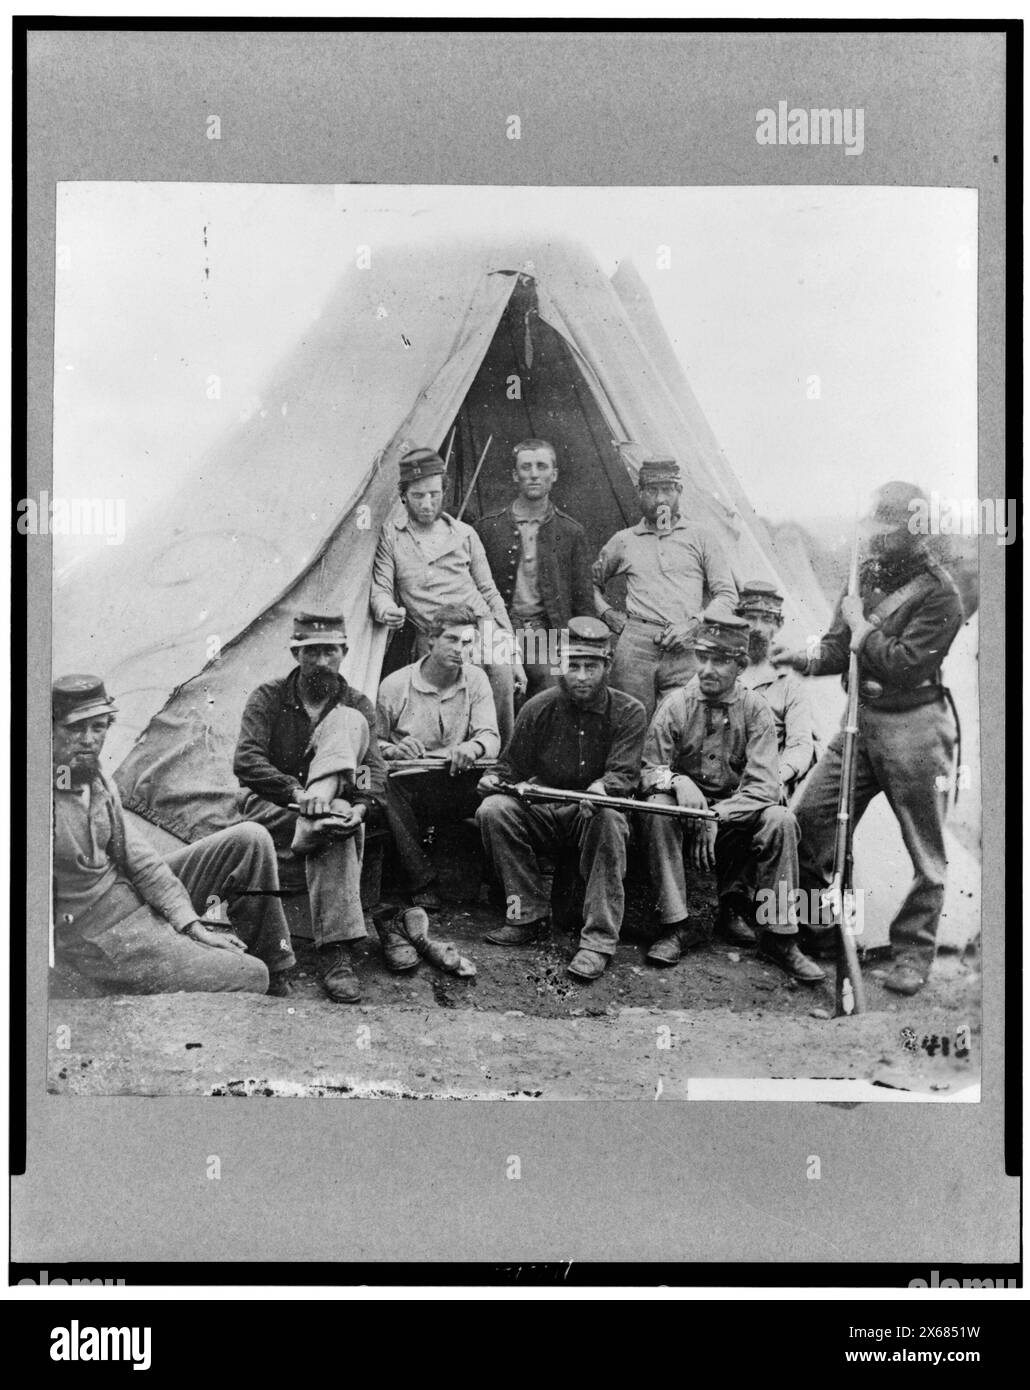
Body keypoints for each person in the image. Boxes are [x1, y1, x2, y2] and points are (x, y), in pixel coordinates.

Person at [772, 481, 965, 995]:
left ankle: (912, 955)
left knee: (926, 854)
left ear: (914, 533)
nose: (876, 540)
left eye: (887, 531)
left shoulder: (942, 593)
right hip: (860, 721)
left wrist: (861, 628)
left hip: (916, 726)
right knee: (808, 819)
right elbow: (839, 649)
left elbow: (903, 663)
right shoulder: (865, 576)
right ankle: (824, 934)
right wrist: (805, 658)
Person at [52, 675, 294, 996]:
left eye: (98, 728)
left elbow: (142, 861)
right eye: (75, 728)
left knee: (249, 839)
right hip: (102, 934)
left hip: (133, 895)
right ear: (48, 727)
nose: (88, 740)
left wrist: (191, 925)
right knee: (249, 976)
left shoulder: (95, 778)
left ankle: (276, 969)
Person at [639, 613, 825, 981]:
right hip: (684, 817)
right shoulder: (676, 705)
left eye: (721, 660)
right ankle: (676, 924)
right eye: (702, 658)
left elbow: (764, 787)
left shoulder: (755, 710)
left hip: (732, 822)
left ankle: (778, 936)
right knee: (657, 807)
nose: (708, 669)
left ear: (740, 665)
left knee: (780, 820)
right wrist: (676, 780)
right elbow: (647, 771)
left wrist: (716, 815)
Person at [476, 616, 647, 981]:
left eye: (592, 666)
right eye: (573, 666)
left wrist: (602, 790)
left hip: (594, 816)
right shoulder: (537, 708)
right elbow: (511, 767)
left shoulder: (630, 711)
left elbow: (624, 774)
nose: (582, 676)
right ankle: (527, 914)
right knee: (494, 810)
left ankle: (598, 941)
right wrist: (493, 779)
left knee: (610, 817)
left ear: (608, 667)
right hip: (545, 812)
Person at [233, 613, 387, 1004]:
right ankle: (337, 949)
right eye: (312, 652)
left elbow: (371, 773)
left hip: (326, 812)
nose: (321, 661)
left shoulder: (357, 703)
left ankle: (334, 952)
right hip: (272, 805)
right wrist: (299, 795)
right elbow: (247, 762)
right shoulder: (268, 697)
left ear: (344, 653)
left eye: (329, 651)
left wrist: (362, 809)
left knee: (335, 813)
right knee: (327, 816)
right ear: (296, 653)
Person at [370, 446, 526, 742]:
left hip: (482, 627)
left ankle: (499, 765)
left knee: (501, 678)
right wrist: (386, 609)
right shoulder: (392, 535)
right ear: (403, 496)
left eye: (434, 494)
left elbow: (490, 594)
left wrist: (513, 653)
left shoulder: (465, 533)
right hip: (436, 634)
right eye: (418, 496)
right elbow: (381, 589)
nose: (427, 504)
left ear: (444, 491)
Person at [592, 456, 738, 721]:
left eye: (668, 490)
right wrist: (606, 614)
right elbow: (587, 584)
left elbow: (727, 595)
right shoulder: (624, 540)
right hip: (636, 647)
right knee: (629, 722)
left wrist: (694, 624)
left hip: (687, 646)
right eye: (652, 490)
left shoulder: (701, 536)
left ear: (679, 491)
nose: (660, 499)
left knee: (687, 723)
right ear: (640, 492)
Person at [377, 603, 500, 910]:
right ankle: (422, 880)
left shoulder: (476, 680)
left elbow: (490, 736)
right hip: (410, 784)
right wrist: (393, 749)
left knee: (498, 794)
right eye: (452, 640)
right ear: (431, 640)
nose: (460, 649)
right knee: (383, 790)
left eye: (468, 643)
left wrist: (472, 748)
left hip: (457, 779)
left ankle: (496, 882)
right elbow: (372, 744)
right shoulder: (395, 685)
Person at [474, 438, 594, 696]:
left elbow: (583, 600)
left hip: (545, 631)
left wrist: (583, 647)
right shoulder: (487, 528)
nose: (534, 474)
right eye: (526, 467)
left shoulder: (571, 531)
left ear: (554, 474)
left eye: (541, 466)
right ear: (515, 475)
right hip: (498, 629)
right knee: (498, 685)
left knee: (552, 688)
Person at [736, 580, 816, 800]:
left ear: (778, 625)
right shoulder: (719, 671)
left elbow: (800, 746)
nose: (758, 627)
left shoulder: (790, 685)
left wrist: (777, 777)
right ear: (737, 621)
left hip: (766, 783)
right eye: (750, 618)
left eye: (767, 619)